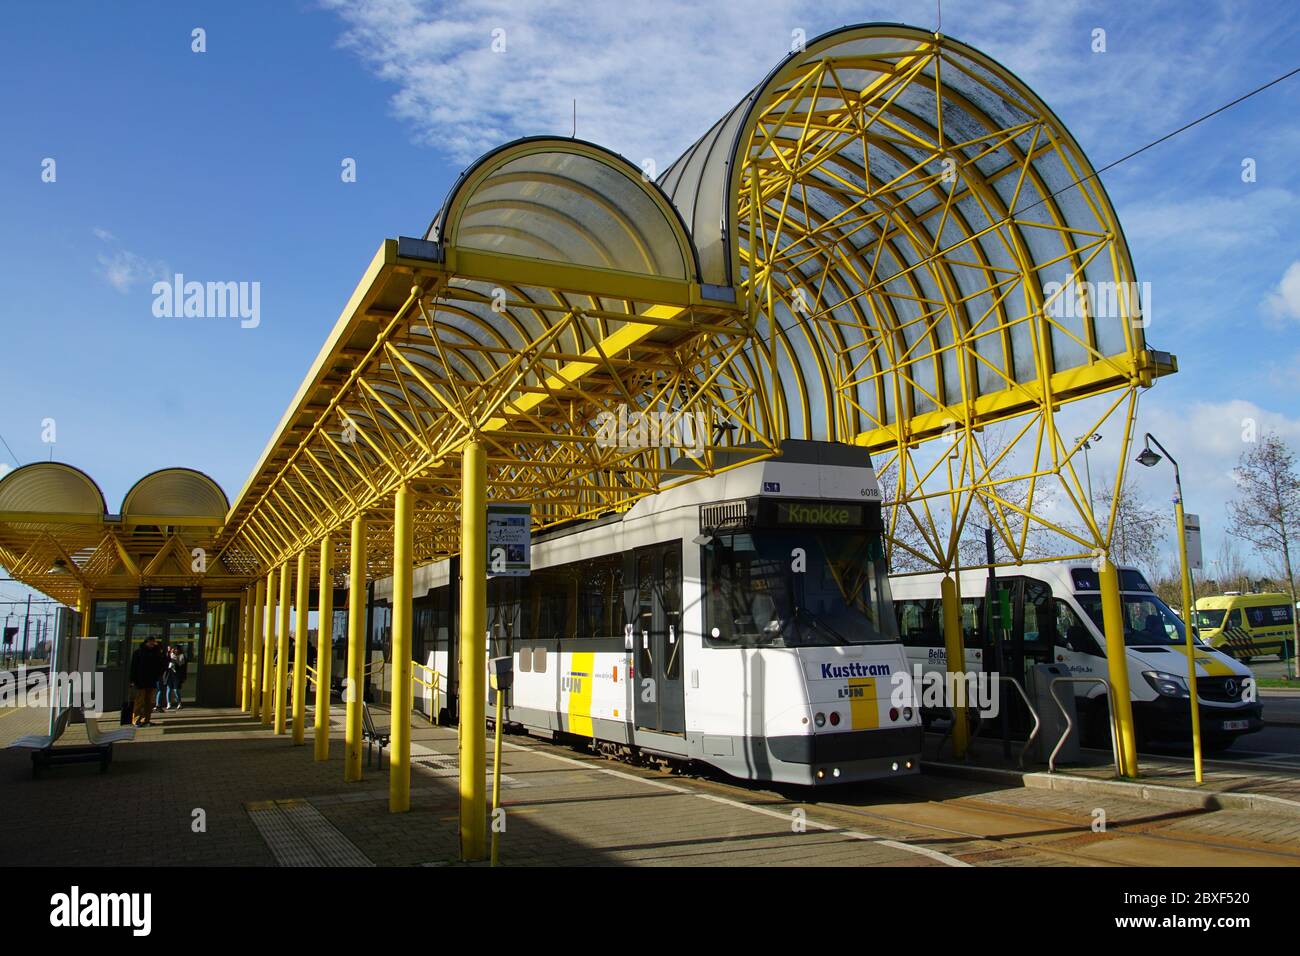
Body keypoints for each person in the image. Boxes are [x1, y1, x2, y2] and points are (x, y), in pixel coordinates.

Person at [129, 636, 167, 727]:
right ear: (146, 642)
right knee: (140, 701)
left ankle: (146, 720)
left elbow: (161, 665)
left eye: (153, 642)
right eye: (150, 642)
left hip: (151, 680)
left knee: (148, 702)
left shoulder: (156, 653)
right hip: (141, 681)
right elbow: (133, 667)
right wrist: (132, 680)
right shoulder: (138, 653)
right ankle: (136, 720)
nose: (152, 644)